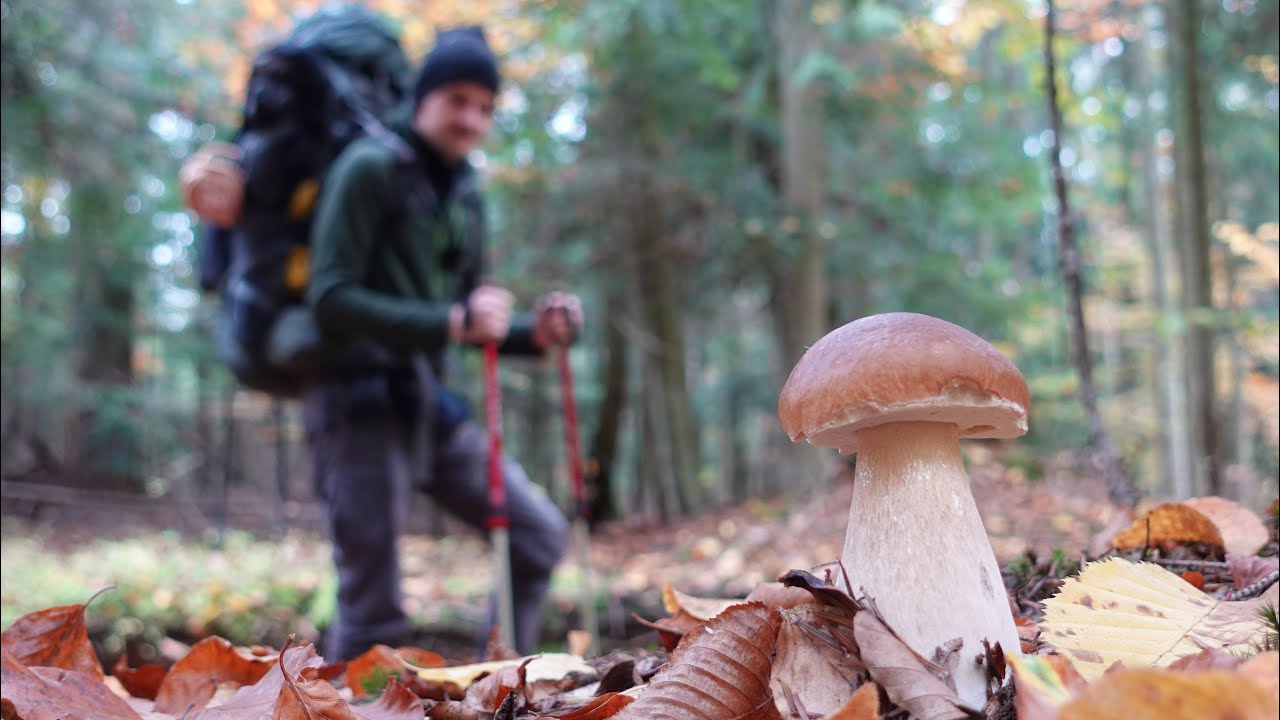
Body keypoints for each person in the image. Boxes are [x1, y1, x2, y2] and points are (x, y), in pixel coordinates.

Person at [302, 24, 581, 661]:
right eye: (457, 99)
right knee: (373, 611)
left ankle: (499, 688)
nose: (472, 119)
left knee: (537, 537)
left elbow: (462, 322)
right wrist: (453, 322)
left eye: (485, 106)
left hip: (430, 403)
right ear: (422, 97)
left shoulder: (465, 195)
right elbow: (330, 296)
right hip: (358, 402)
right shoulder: (368, 168)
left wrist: (532, 337)